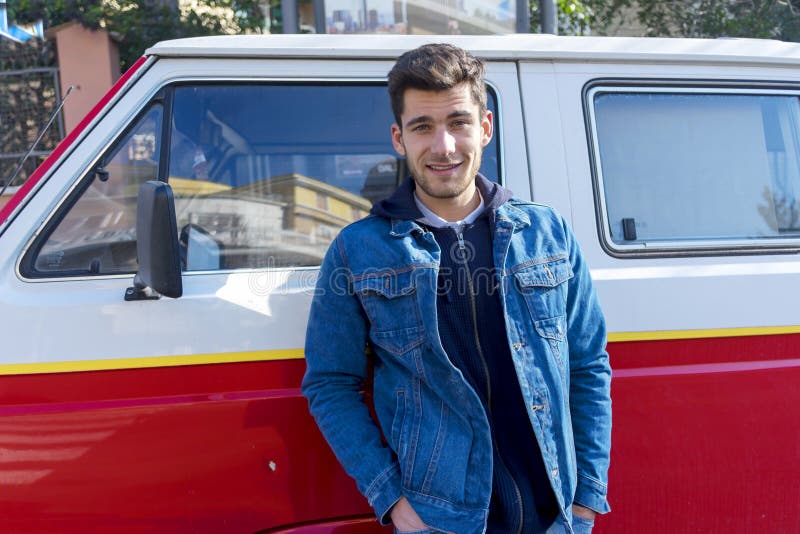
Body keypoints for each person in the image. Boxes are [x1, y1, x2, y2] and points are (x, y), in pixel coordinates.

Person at [302, 43, 611, 534]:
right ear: (399, 138)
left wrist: (587, 498)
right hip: (438, 519)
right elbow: (329, 384)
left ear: (485, 128)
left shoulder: (548, 233)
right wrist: (394, 500)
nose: (443, 146)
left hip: (555, 514)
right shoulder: (358, 251)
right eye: (423, 126)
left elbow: (588, 364)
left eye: (459, 123)